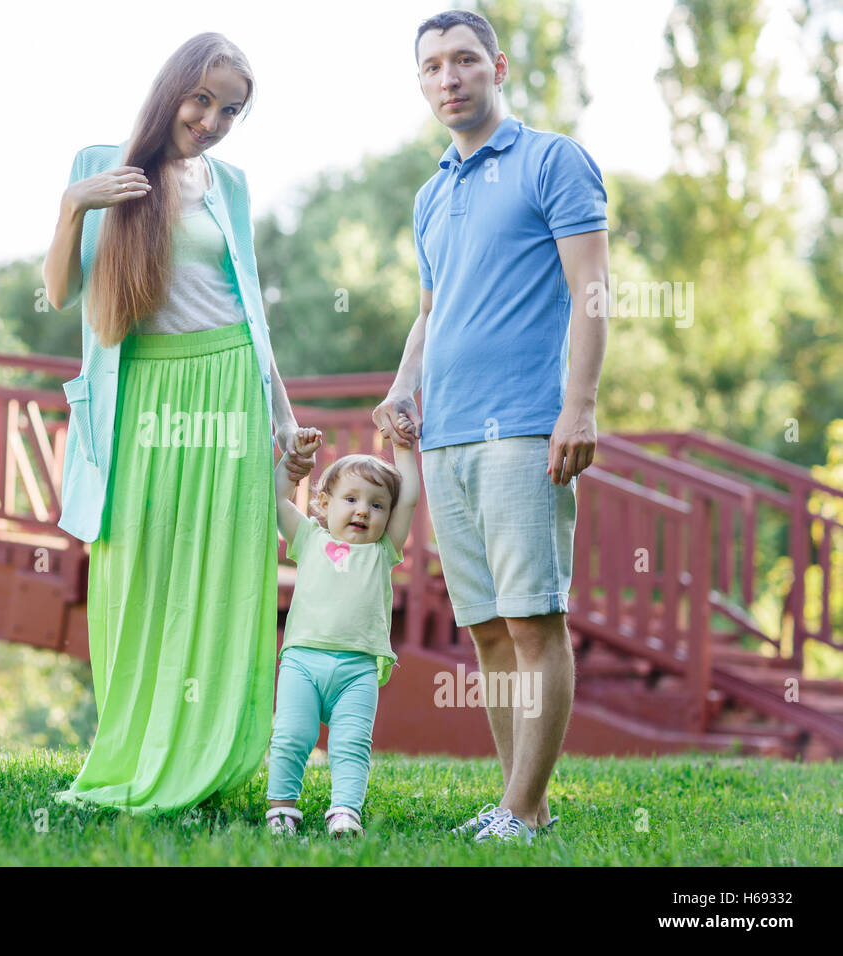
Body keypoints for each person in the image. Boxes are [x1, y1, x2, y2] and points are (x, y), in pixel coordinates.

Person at [42, 32, 311, 814]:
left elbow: (252, 311)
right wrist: (72, 208)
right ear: (173, 91)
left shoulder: (230, 184)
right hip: (142, 393)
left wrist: (283, 421)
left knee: (222, 564)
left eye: (231, 109)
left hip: (227, 382)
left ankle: (209, 756)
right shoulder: (100, 161)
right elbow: (59, 292)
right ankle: (135, 749)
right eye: (203, 100)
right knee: (138, 566)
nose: (213, 119)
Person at [372, 9, 609, 843]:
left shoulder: (553, 161)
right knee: (485, 632)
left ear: (497, 66)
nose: (450, 78)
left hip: (523, 428)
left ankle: (518, 810)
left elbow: (593, 291)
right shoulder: (432, 193)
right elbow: (431, 311)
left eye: (465, 60)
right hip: (446, 439)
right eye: (433, 66)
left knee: (533, 619)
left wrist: (577, 407)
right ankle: (525, 808)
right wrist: (404, 386)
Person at [265, 421, 420, 837]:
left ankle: (345, 812)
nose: (362, 511)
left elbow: (409, 501)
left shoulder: (383, 551)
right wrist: (292, 458)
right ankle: (281, 810)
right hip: (303, 662)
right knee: (291, 737)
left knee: (351, 747)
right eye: (351, 499)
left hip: (358, 670)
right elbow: (274, 497)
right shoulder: (308, 539)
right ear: (324, 503)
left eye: (376, 505)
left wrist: (404, 448)